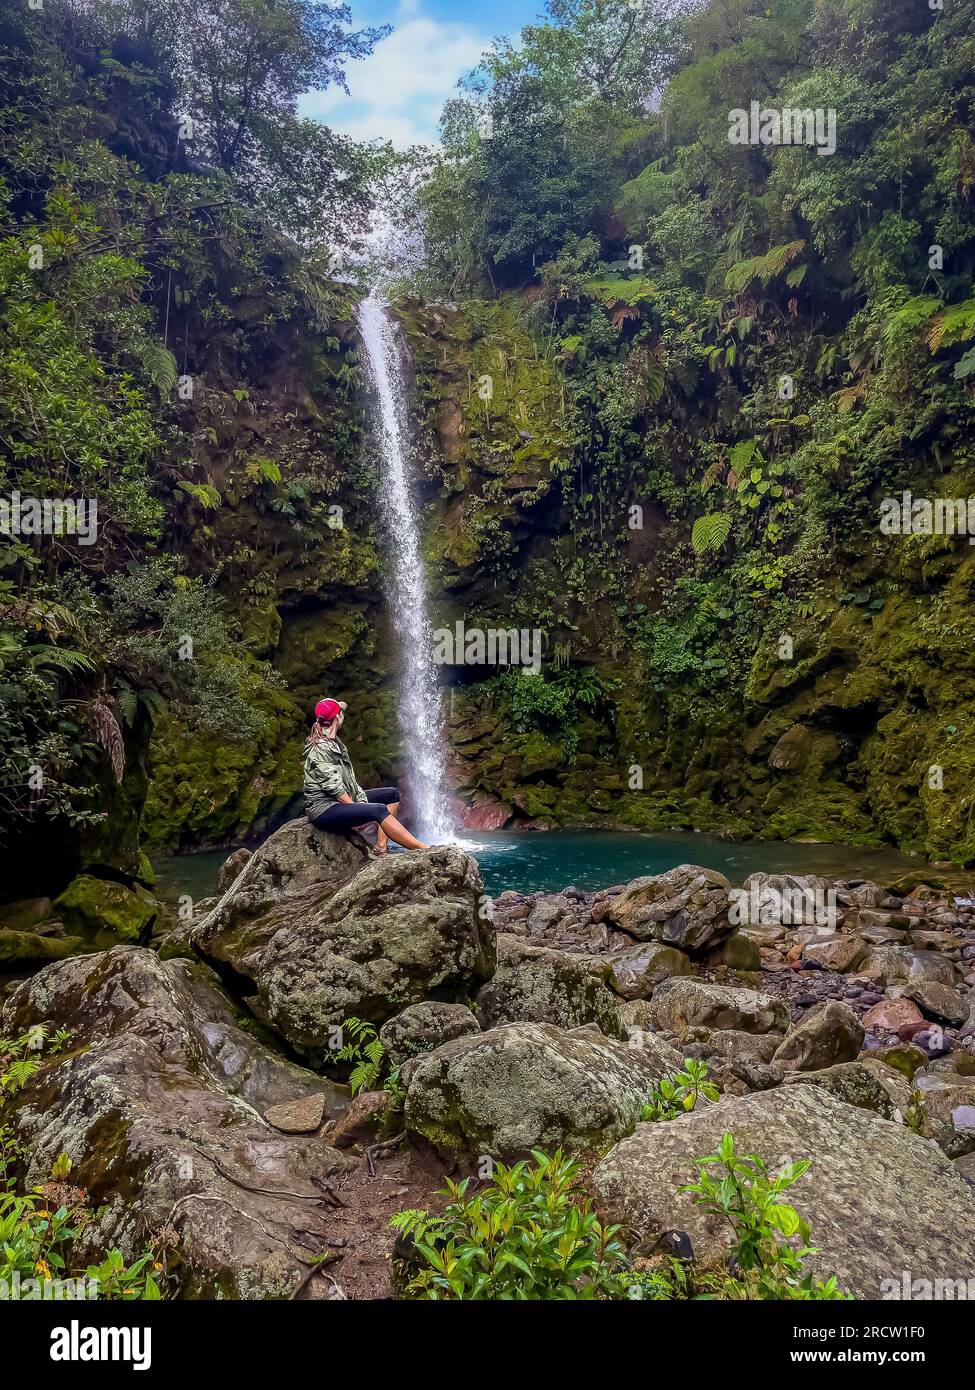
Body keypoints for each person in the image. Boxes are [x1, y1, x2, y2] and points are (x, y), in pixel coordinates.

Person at [303, 698, 428, 852]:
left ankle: (381, 848)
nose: (343, 714)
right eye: (341, 712)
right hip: (324, 810)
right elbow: (334, 788)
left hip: (339, 802)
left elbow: (350, 782)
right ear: (337, 718)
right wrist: (356, 810)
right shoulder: (320, 749)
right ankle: (423, 849)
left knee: (392, 795)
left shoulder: (335, 743)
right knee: (378, 810)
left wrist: (360, 802)